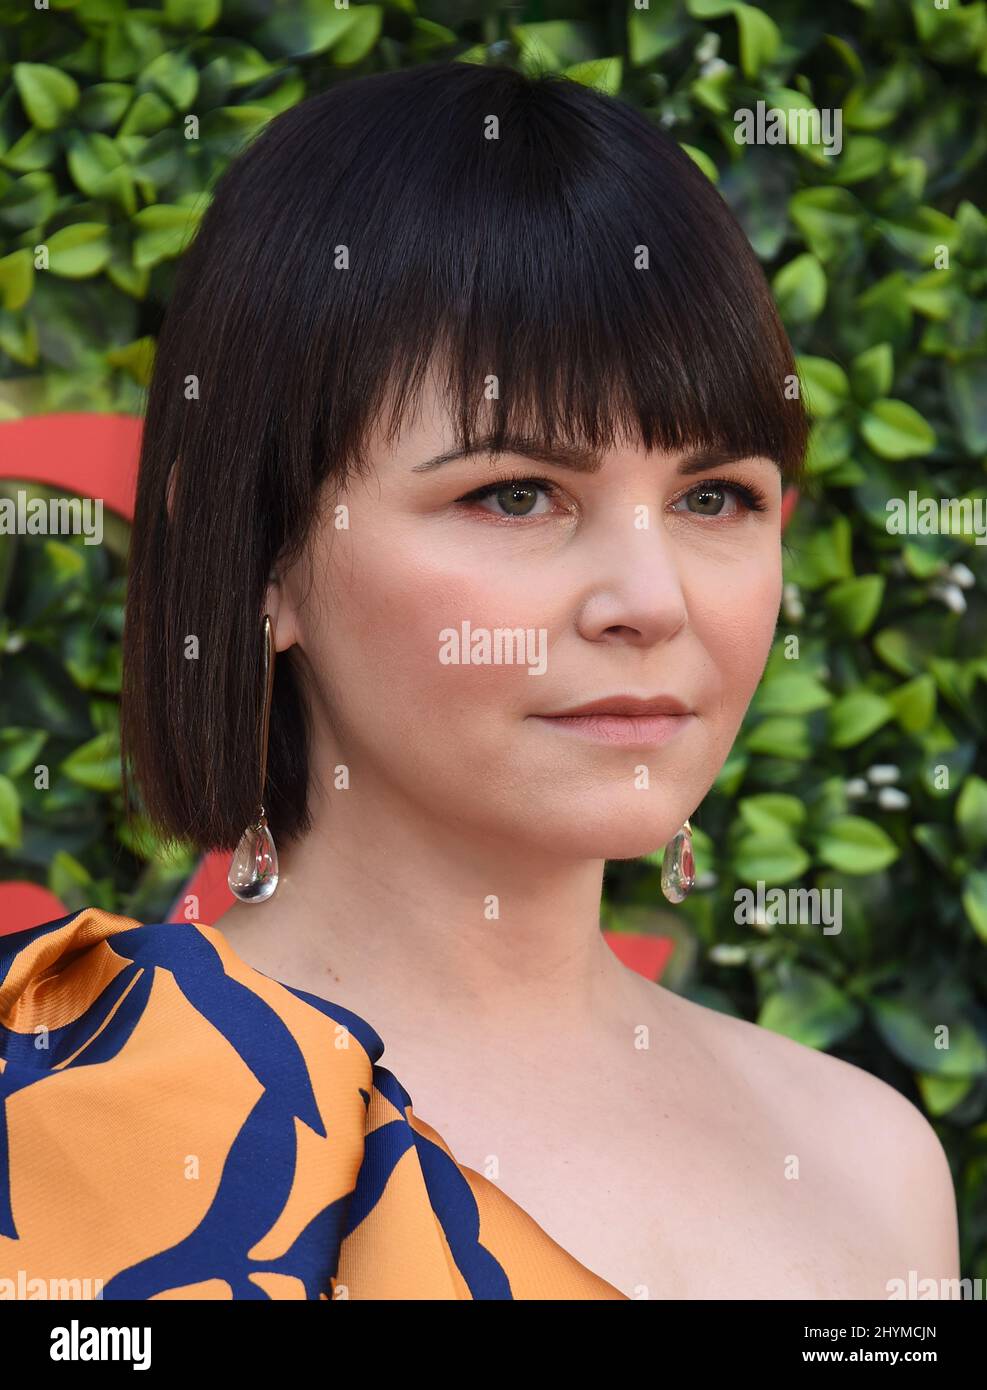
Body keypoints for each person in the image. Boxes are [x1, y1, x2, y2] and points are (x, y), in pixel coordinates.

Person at [0, 61, 959, 1301]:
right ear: (258, 556)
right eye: (515, 494)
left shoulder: (866, 1163)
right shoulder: (58, 1117)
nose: (652, 599)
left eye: (716, 497)